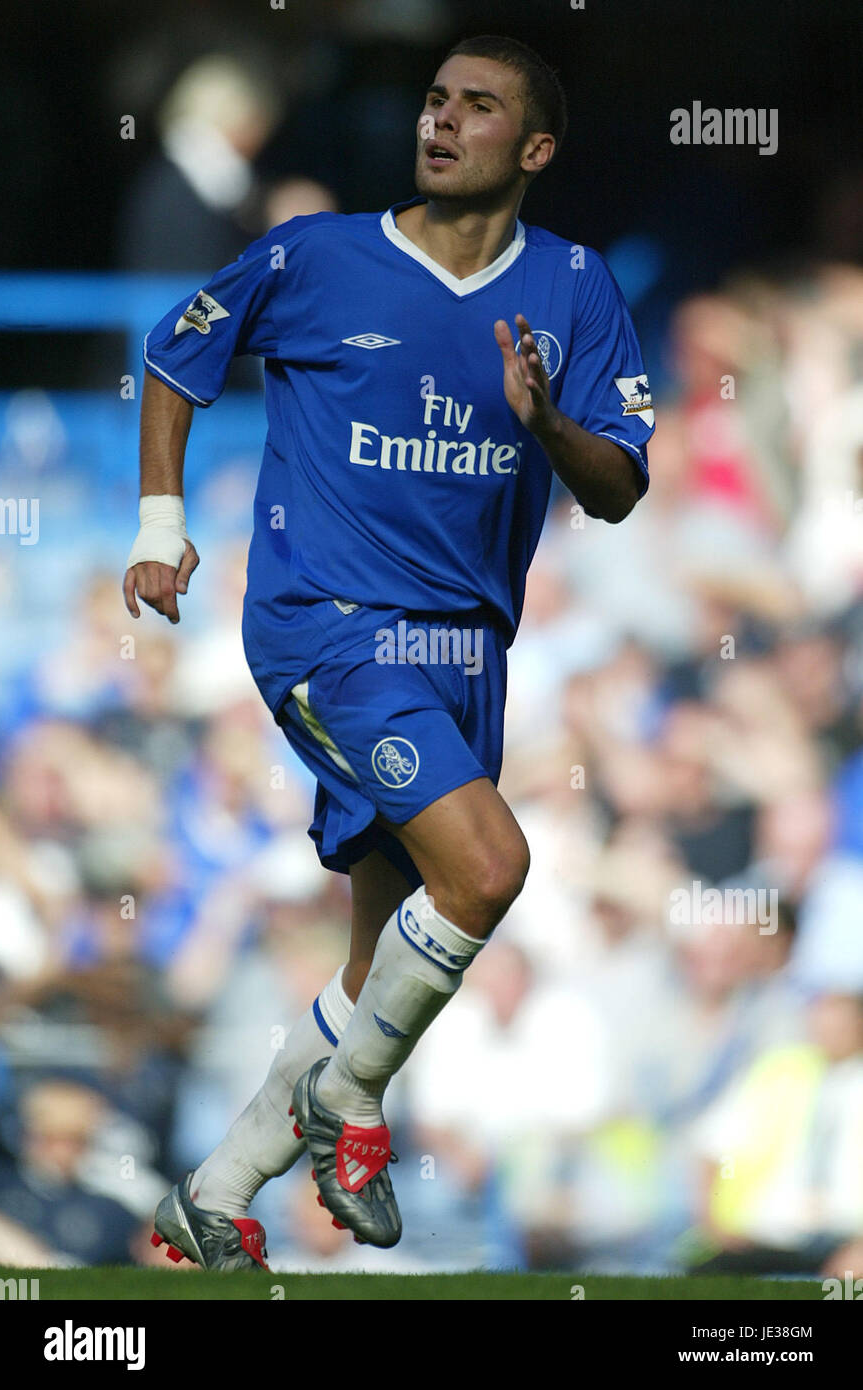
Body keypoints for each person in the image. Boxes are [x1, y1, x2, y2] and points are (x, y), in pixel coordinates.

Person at [122, 34, 654, 1268]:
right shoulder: (318, 254)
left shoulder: (575, 287)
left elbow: (619, 484)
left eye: (477, 108)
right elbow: (174, 351)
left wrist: (547, 423)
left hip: (466, 649)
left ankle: (214, 1189)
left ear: (532, 150)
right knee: (487, 870)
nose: (441, 122)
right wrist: (161, 522)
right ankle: (350, 1105)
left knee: (378, 968)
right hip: (328, 626)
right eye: (432, 100)